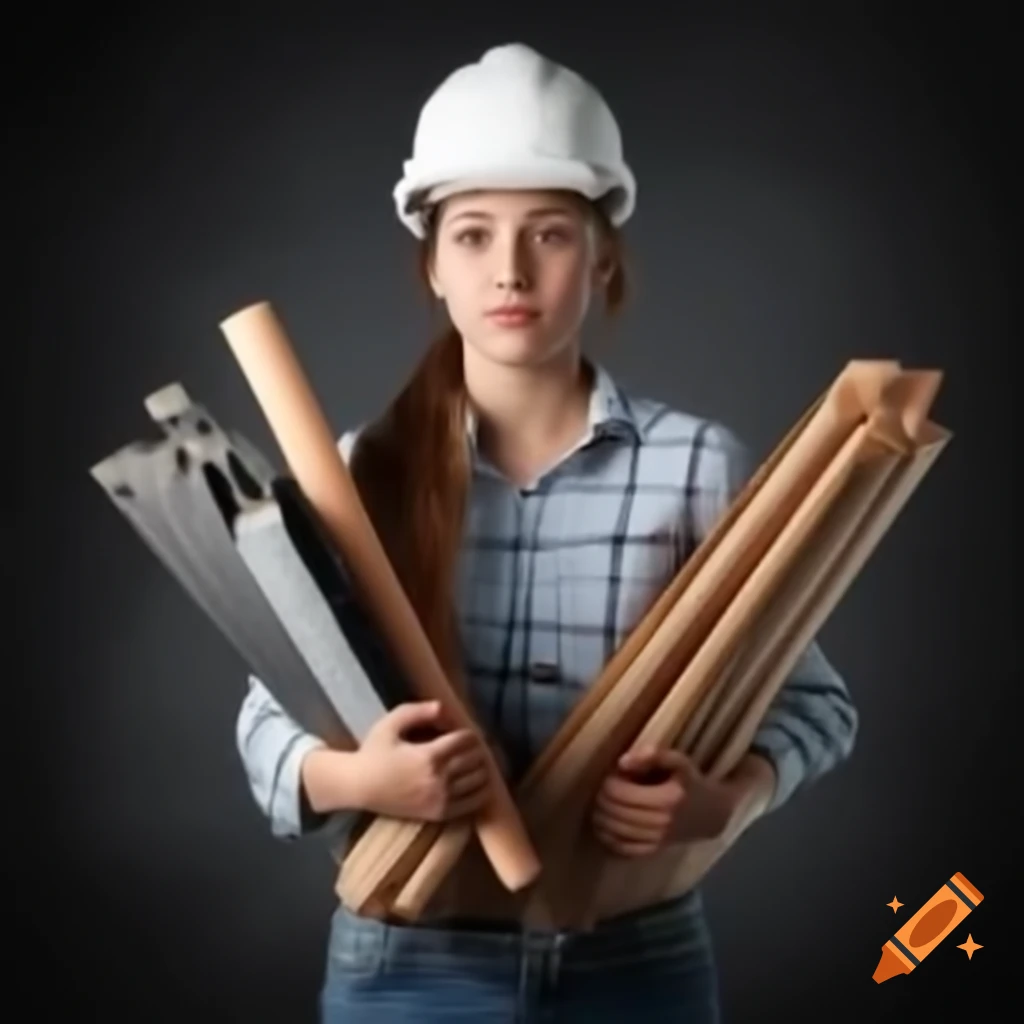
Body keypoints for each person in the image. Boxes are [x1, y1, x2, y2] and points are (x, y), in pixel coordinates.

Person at [235, 43, 858, 1022]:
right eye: (473, 235)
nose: (510, 271)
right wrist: (364, 777)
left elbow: (816, 702)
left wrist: (726, 798)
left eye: (550, 234)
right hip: (408, 968)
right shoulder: (356, 473)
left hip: (636, 965)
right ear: (433, 265)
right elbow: (267, 718)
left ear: (602, 256)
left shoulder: (696, 468)